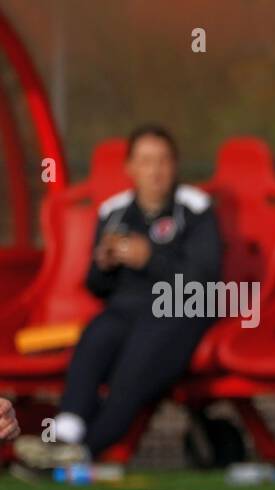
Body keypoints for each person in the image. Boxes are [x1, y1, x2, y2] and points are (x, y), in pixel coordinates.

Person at [13, 124, 221, 471]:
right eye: (146, 162)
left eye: (163, 161)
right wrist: (104, 265)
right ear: (130, 168)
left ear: (175, 165)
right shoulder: (115, 212)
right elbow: (96, 286)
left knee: (136, 362)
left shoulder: (195, 209)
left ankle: (86, 450)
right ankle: (65, 434)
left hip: (177, 309)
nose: (155, 171)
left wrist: (150, 258)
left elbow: (206, 279)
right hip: (125, 309)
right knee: (95, 338)